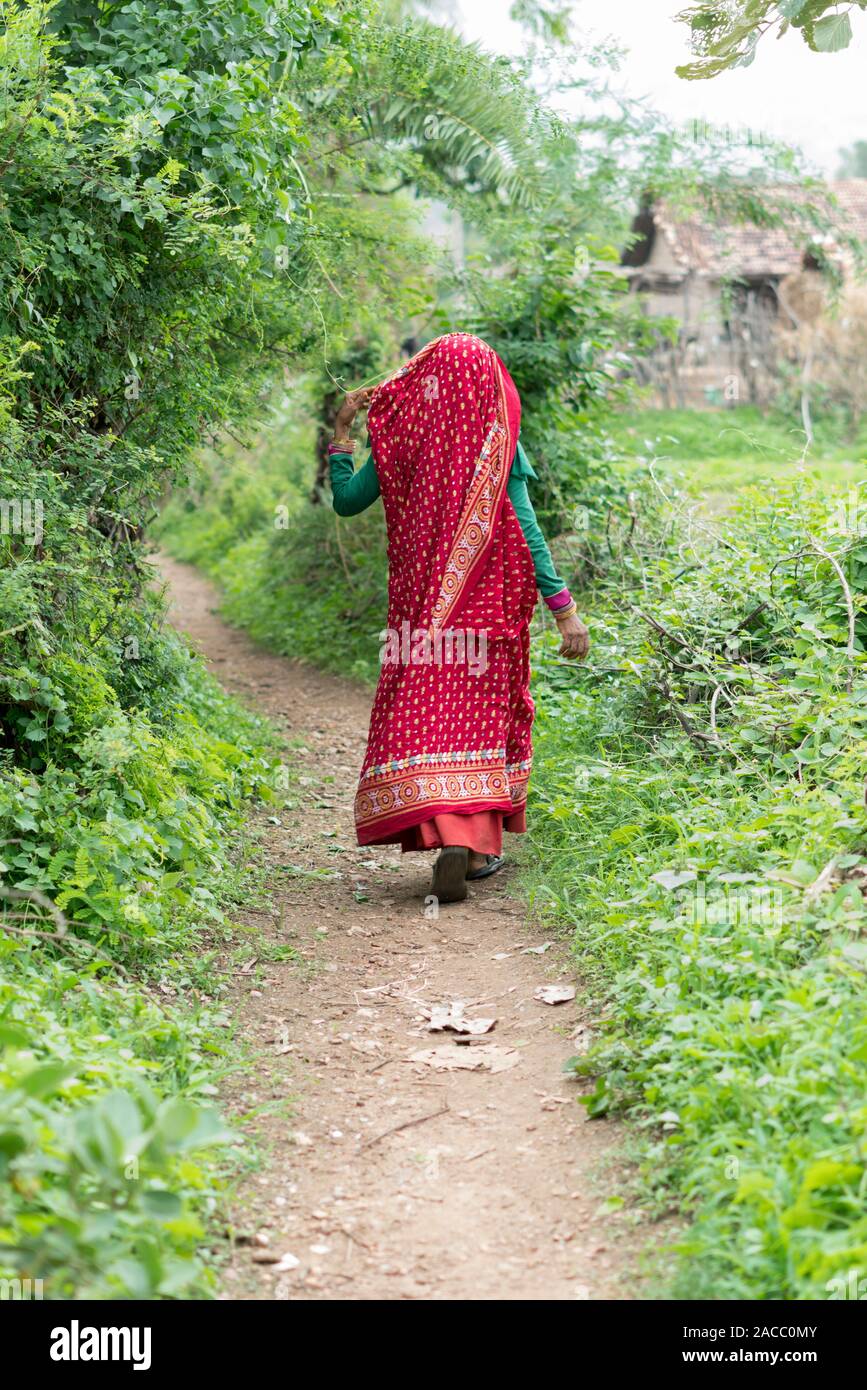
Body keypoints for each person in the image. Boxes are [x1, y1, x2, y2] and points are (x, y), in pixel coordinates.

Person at [328, 332, 589, 904]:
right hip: (489, 605)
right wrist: (563, 608)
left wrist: (343, 435)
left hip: (422, 617)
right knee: (480, 718)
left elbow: (347, 501)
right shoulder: (498, 440)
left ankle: (443, 831)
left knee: (430, 714)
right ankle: (471, 850)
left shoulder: (404, 438)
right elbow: (525, 525)